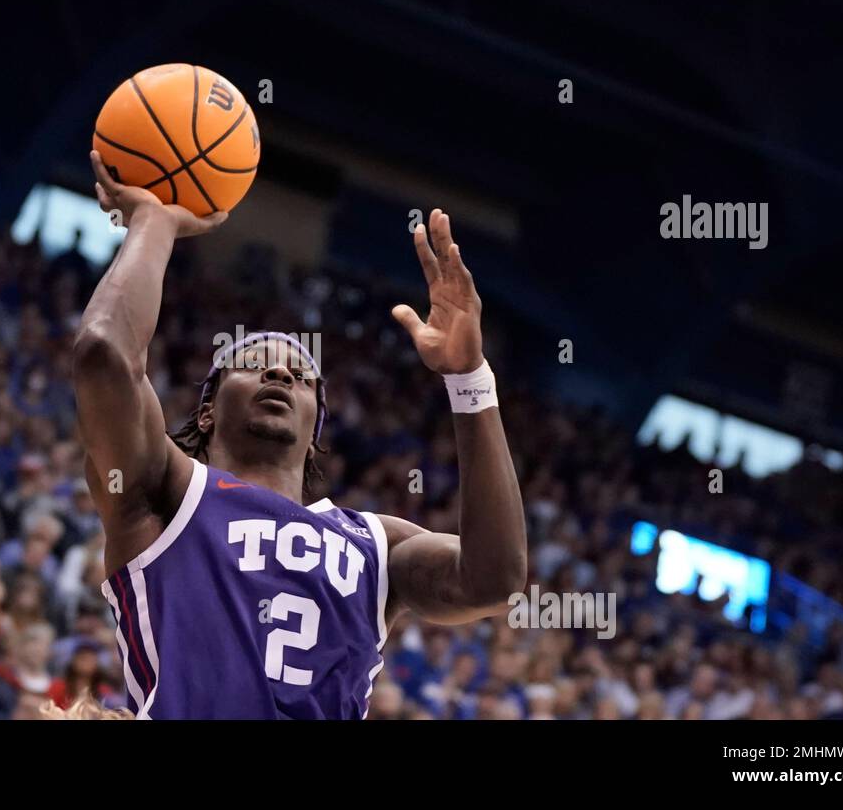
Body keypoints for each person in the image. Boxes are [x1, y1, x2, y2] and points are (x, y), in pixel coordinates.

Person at [72, 152, 526, 719]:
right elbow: (102, 357)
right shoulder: (165, 490)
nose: (281, 372)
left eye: (302, 375)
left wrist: (469, 378)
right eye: (254, 361)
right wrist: (155, 222)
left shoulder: (376, 545)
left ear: (315, 432)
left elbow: (495, 580)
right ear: (207, 410)